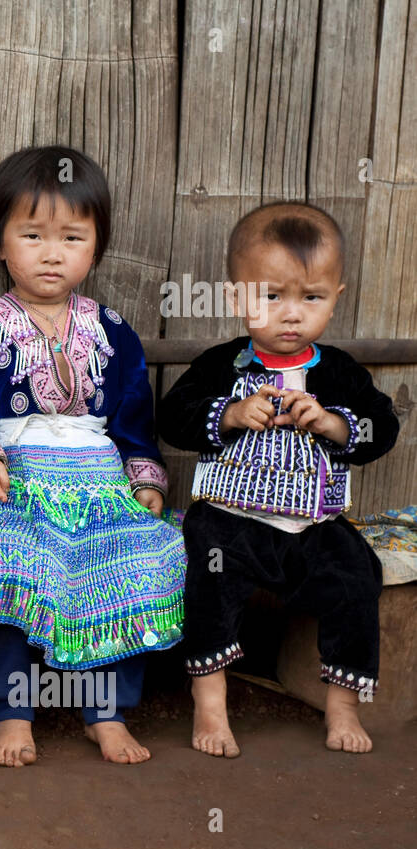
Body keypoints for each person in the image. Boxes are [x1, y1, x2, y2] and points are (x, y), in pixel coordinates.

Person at [0, 146, 185, 767]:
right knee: (7, 559)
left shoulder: (114, 332)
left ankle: (107, 712)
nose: (52, 252)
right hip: (18, 487)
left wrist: (143, 479)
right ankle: (13, 710)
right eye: (32, 235)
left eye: (72, 236)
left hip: (99, 491)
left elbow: (134, 421)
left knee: (137, 559)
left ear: (96, 246)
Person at [159, 201, 399, 757]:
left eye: (311, 297)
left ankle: (341, 705)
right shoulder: (223, 365)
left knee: (356, 572)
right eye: (272, 296)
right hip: (231, 520)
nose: (292, 314)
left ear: (336, 296)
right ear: (237, 298)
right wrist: (230, 415)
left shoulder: (338, 372)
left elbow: (381, 428)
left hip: (314, 522)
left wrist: (336, 424)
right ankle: (211, 706)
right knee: (210, 581)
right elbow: (172, 419)